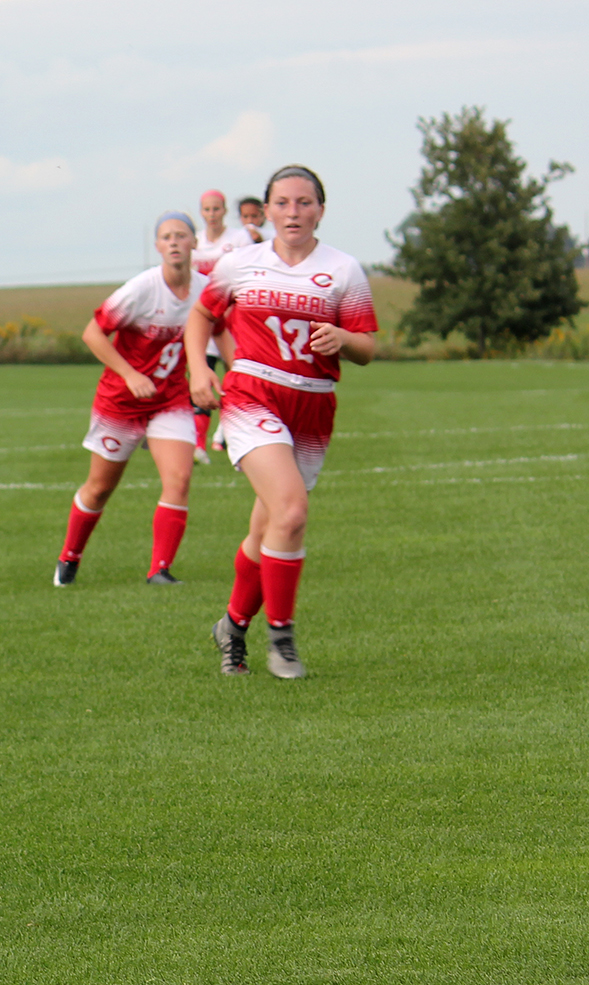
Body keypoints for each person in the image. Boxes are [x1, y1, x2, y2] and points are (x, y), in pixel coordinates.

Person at [186, 165, 377, 678]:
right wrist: (198, 366)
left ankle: (232, 626)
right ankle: (283, 636)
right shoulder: (239, 262)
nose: (293, 212)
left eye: (305, 202)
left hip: (312, 405)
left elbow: (367, 347)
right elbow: (202, 314)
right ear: (266, 210)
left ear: (321, 209)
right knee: (290, 512)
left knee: (270, 526)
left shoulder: (343, 270)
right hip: (252, 396)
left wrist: (344, 340)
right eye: (283, 203)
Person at [54, 211, 229, 589]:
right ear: (157, 247)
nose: (174, 242)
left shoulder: (206, 288)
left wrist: (235, 373)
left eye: (181, 235)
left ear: (194, 243)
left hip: (170, 398)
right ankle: (70, 556)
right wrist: (130, 374)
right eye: (166, 237)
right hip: (121, 401)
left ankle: (159, 571)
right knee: (100, 487)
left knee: (180, 478)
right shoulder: (141, 289)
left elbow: (223, 329)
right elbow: (92, 333)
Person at [191, 191, 246, 456]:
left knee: (237, 376)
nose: (212, 214)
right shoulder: (195, 241)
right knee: (203, 373)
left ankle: (233, 436)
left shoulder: (238, 239)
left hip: (234, 318)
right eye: (207, 209)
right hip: (206, 317)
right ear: (201, 212)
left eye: (216, 209)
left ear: (224, 211)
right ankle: (199, 444)